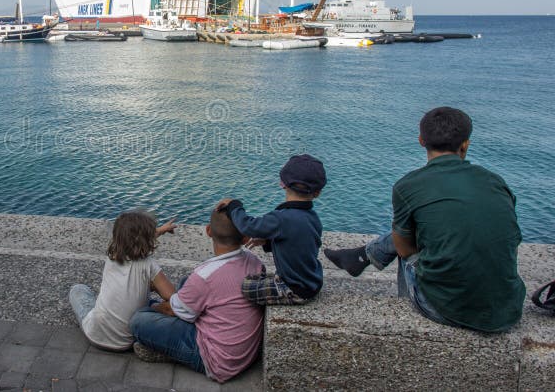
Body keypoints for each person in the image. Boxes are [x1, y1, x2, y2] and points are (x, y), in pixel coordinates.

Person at [324, 106, 526, 333]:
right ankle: (361, 257)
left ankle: (400, 314)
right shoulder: (495, 182)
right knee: (431, 227)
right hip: (508, 306)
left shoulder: (407, 186)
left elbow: (404, 249)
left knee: (407, 237)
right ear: (466, 144)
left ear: (421, 141)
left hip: (446, 308)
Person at [129, 204, 264, 383]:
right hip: (245, 352)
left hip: (217, 361)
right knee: (187, 283)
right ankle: (181, 311)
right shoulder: (254, 262)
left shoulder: (205, 276)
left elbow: (169, 310)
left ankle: (169, 352)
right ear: (245, 237)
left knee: (138, 320)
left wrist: (153, 307)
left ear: (208, 231)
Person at [225, 154, 327, 305]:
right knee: (255, 275)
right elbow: (297, 243)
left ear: (282, 183)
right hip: (313, 281)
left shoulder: (280, 218)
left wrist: (234, 207)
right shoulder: (313, 217)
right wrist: (268, 241)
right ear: (317, 193)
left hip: (294, 289)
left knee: (243, 286)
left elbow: (248, 226)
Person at [69, 209, 177, 350]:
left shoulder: (113, 254)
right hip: (126, 342)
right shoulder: (149, 265)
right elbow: (176, 302)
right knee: (152, 299)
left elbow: (132, 239)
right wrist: (155, 307)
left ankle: (101, 309)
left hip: (95, 334)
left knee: (78, 289)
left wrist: (160, 231)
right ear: (147, 239)